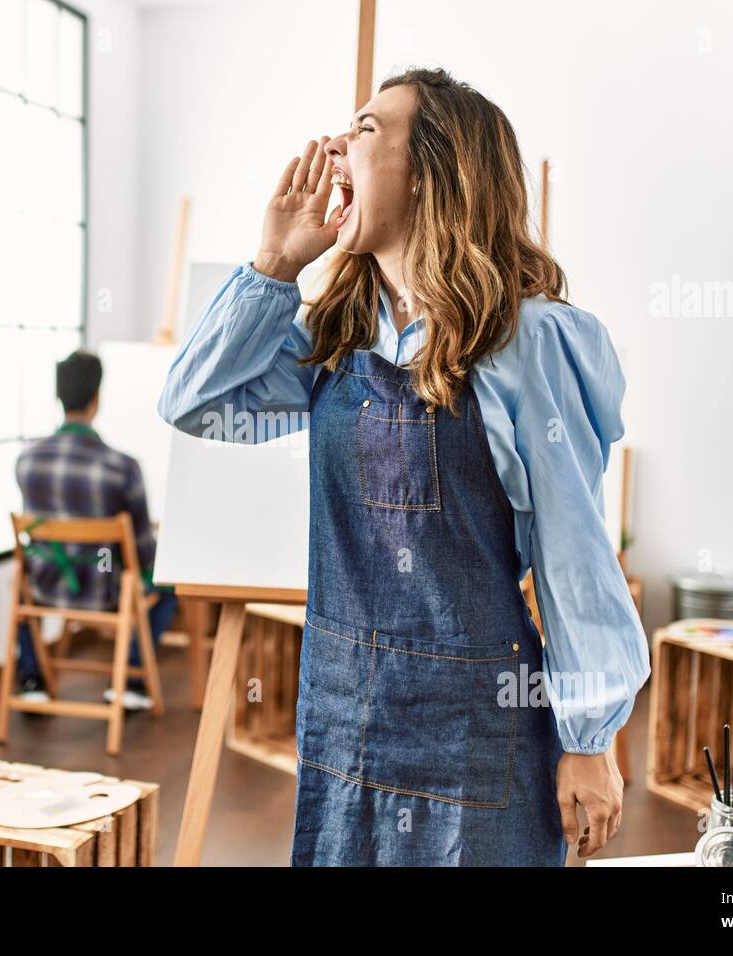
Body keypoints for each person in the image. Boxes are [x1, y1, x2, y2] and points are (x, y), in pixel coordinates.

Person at [158, 68, 650, 865]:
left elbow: (574, 551)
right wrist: (274, 262)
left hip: (476, 732)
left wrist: (590, 736)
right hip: (345, 723)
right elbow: (192, 400)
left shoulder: (529, 339)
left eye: (363, 128)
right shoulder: (334, 337)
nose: (332, 145)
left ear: (429, 172)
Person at [15, 350, 177, 712]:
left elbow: (41, 530)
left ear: (60, 397)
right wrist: (153, 575)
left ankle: (31, 680)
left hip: (45, 586)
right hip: (103, 591)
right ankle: (131, 680)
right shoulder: (121, 467)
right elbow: (141, 548)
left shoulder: (27, 460)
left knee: (20, 578)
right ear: (96, 399)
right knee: (167, 586)